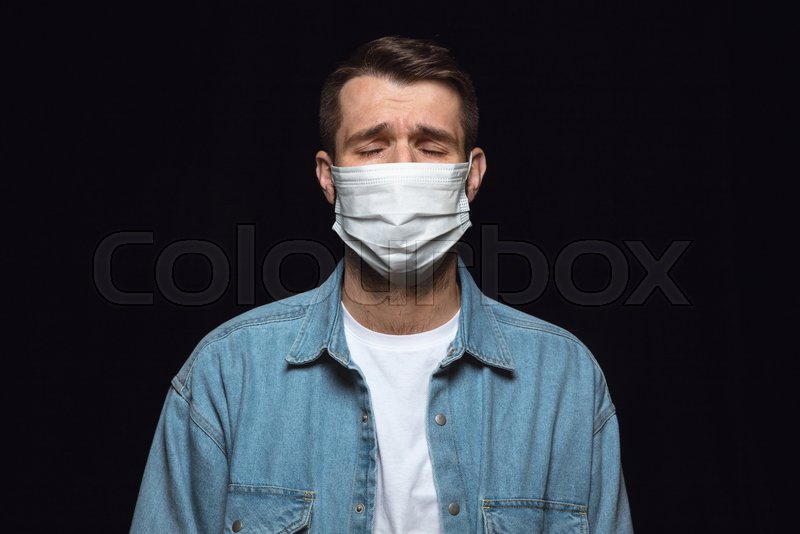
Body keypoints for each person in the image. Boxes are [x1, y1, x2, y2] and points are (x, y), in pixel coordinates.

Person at [131, 36, 633, 533]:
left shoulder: (564, 381)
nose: (401, 171)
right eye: (372, 147)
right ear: (329, 178)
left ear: (472, 175)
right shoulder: (227, 374)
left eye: (431, 147)